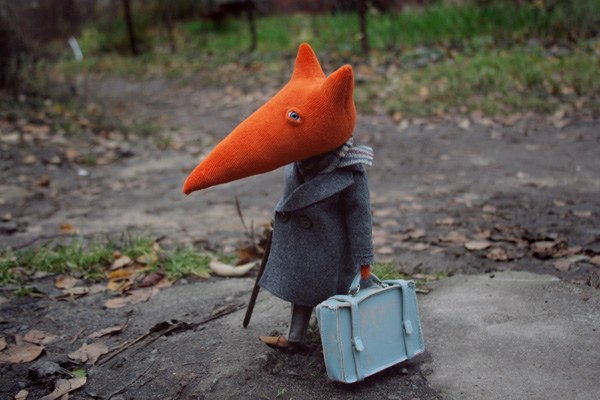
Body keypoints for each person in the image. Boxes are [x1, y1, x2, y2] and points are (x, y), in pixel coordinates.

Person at [182, 43, 374, 351]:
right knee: (301, 295)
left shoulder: (350, 173)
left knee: (333, 297)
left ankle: (339, 341)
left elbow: (359, 216)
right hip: (301, 246)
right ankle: (296, 337)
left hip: (331, 253)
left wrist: (365, 261)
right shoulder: (298, 159)